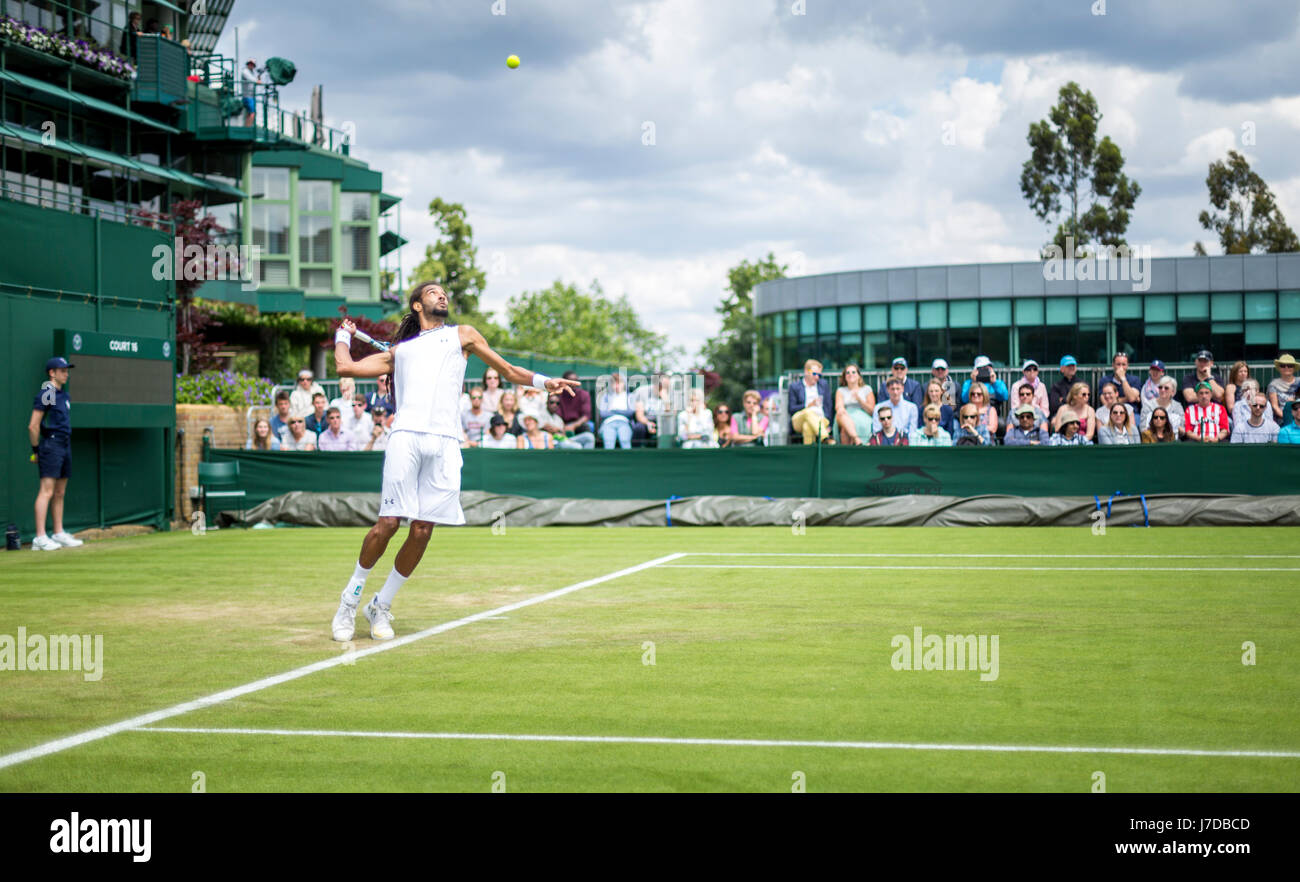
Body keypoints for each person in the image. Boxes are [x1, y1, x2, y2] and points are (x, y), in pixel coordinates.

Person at [329, 282, 578, 642]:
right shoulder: (399, 352)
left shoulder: (464, 335)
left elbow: (507, 370)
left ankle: (380, 605)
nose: (441, 295)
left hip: (446, 443)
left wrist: (543, 382)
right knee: (388, 524)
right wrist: (342, 334)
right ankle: (349, 602)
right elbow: (345, 367)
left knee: (423, 530)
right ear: (417, 305)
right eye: (432, 292)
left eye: (444, 292)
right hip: (406, 437)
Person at [27, 356, 83, 551]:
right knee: (47, 491)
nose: (66, 373)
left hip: (65, 444)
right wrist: (36, 450)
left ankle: (58, 533)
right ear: (52, 373)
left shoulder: (64, 396)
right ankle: (40, 538)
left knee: (60, 492)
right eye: (62, 370)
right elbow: (33, 425)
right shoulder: (47, 392)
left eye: (67, 370)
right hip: (51, 445)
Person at [789, 359, 833, 444]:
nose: (817, 377)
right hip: (799, 418)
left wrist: (830, 425)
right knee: (808, 412)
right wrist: (808, 405)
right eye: (814, 374)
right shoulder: (795, 387)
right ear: (806, 371)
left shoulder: (823, 385)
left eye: (819, 375)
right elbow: (791, 409)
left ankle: (808, 454)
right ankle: (825, 437)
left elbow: (829, 406)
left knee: (807, 426)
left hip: (821, 419)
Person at [835, 364, 875, 445]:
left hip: (863, 417)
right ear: (845, 377)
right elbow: (839, 406)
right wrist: (841, 409)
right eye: (848, 373)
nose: (850, 374)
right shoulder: (840, 390)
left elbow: (872, 411)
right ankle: (857, 439)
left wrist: (860, 400)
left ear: (859, 376)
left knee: (845, 429)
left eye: (853, 372)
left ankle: (852, 447)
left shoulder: (867, 389)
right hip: (845, 415)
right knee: (841, 414)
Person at [597, 372, 636, 449]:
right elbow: (603, 413)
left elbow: (630, 413)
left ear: (624, 384)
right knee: (609, 443)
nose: (617, 386)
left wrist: (613, 410)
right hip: (608, 423)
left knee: (625, 442)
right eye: (614, 383)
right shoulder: (605, 397)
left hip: (625, 423)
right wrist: (622, 411)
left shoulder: (630, 396)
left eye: (619, 383)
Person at [556, 370, 594, 437]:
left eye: (575, 380)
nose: (573, 383)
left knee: (589, 426)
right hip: (561, 423)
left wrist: (573, 426)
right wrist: (564, 426)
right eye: (570, 380)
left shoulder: (584, 394)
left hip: (579, 423)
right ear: (564, 381)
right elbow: (557, 415)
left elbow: (586, 415)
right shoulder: (558, 395)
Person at [1268, 354, 1297, 428]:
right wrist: (1287, 417)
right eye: (1283, 365)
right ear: (1279, 368)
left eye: (1290, 365)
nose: (1286, 368)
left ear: (1294, 368)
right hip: (1282, 419)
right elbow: (1275, 407)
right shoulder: (1273, 385)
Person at [241, 59, 261, 127]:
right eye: (250, 63)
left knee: (250, 113)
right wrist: (257, 80)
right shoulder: (245, 72)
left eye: (252, 64)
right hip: (247, 96)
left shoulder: (251, 73)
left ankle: (247, 126)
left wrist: (258, 79)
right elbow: (252, 80)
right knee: (252, 113)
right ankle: (247, 128)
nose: (251, 65)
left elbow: (255, 80)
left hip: (250, 96)